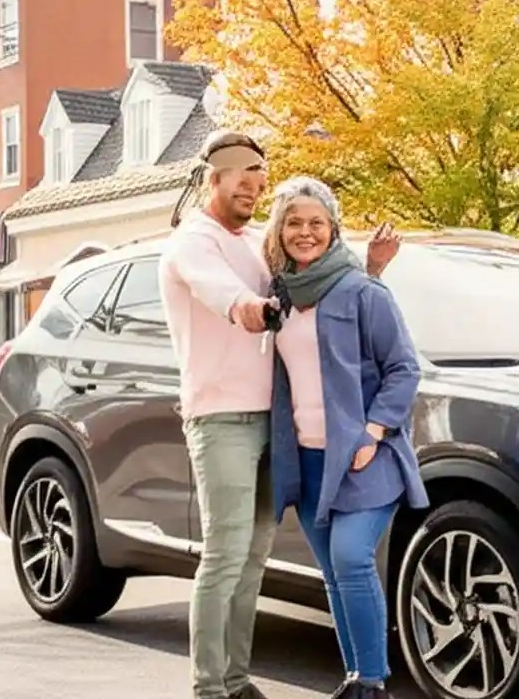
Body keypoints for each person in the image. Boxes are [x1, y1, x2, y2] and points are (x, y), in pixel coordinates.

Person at [158, 132, 401, 699]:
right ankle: (208, 689)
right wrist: (252, 308)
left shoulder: (254, 246)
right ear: (211, 179)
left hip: (273, 420)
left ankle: (238, 680)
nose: (250, 189)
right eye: (239, 179)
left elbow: (318, 300)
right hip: (221, 418)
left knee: (253, 555)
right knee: (224, 552)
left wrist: (371, 271)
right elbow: (223, 294)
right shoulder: (192, 242)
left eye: (258, 181)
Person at [263, 177, 429, 699]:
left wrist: (373, 432)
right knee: (334, 572)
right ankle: (357, 678)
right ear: (280, 230)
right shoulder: (280, 297)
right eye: (294, 222)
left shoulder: (362, 291)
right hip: (308, 460)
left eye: (316, 223)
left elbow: (403, 368)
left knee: (353, 558)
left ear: (333, 229)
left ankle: (375, 683)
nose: (305, 232)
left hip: (364, 457)